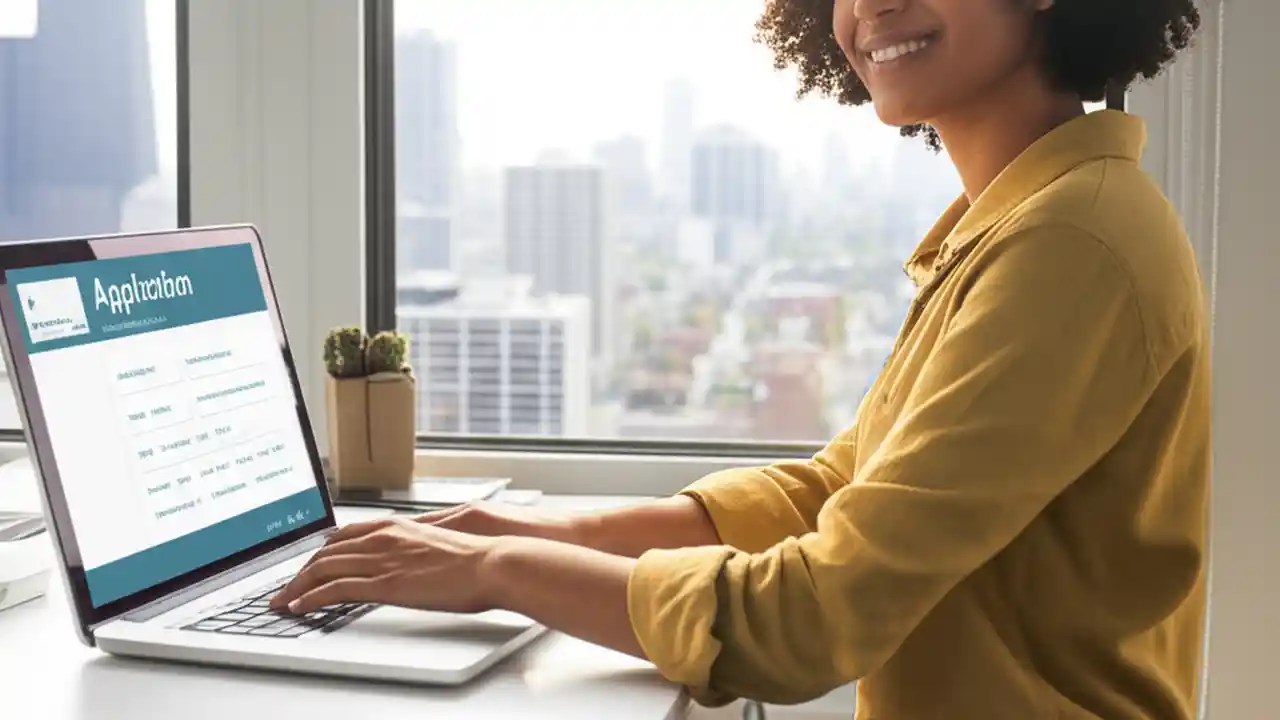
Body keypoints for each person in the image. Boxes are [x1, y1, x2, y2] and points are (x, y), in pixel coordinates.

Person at [272, 0, 1211, 716]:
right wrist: (524, 536)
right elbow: (837, 492)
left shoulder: (1070, 243)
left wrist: (496, 573)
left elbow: (814, 615)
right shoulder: (1018, 221)